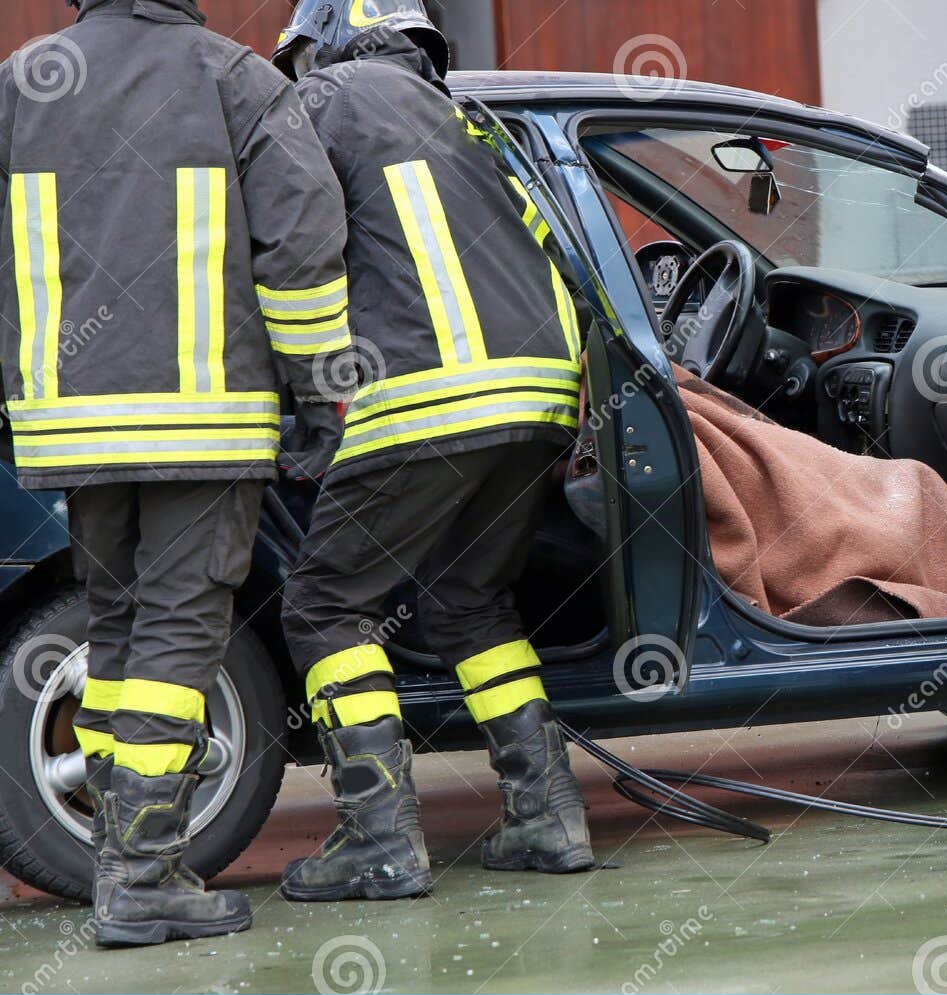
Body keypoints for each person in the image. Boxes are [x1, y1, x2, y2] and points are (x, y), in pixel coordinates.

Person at [0, 0, 350, 945]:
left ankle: (125, 850)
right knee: (182, 619)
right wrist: (319, 392)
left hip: (71, 425)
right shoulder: (233, 80)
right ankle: (143, 873)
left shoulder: (21, 87)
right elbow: (303, 246)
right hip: (205, 419)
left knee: (117, 618)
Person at [272, 0, 594, 902]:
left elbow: (289, 246)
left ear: (323, 41)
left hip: (423, 395)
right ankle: (547, 816)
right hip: (535, 392)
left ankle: (379, 841)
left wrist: (299, 387)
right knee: (466, 602)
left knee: (327, 607)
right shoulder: (465, 113)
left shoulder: (323, 99)